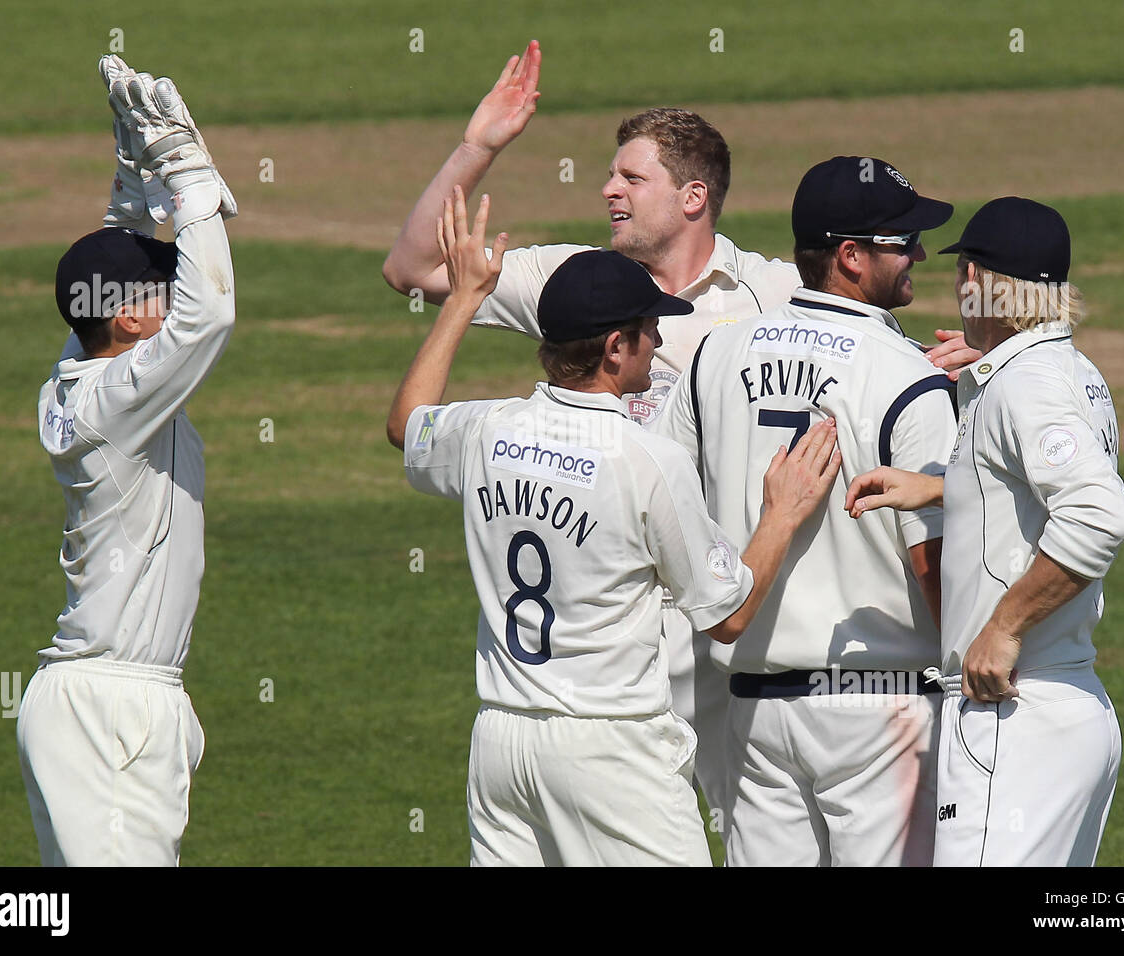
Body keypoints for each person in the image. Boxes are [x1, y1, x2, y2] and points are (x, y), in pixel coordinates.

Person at [381, 41, 978, 819]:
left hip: (732, 608)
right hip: (618, 613)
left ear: (693, 197)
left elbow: (858, 343)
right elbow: (413, 268)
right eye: (611, 176)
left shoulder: (769, 289)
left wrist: (951, 365)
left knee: (746, 821)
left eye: (631, 177)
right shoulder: (578, 285)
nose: (608, 191)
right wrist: (479, 145)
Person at [386, 187, 840, 865]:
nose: (660, 342)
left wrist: (461, 301)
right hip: (611, 748)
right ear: (616, 346)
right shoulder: (645, 458)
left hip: (502, 744)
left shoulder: (488, 430)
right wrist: (782, 514)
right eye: (650, 329)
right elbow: (728, 614)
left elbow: (407, 424)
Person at [653, 156, 961, 866]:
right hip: (883, 714)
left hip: (753, 713)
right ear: (850, 257)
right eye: (901, 241)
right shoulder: (909, 380)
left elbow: (664, 508)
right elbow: (933, 562)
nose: (918, 254)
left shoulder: (713, 356)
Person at [844, 197, 1124, 866]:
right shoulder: (1074, 372)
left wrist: (1002, 628)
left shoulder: (1022, 385)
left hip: (1014, 712)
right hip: (1072, 708)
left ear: (974, 278)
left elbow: (1097, 513)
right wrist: (945, 487)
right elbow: (1037, 491)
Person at [16, 55, 238, 866]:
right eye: (157, 292)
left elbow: (105, 284)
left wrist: (129, 188)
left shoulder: (78, 377)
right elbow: (210, 312)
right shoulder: (122, 399)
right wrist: (186, 175)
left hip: (87, 701)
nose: (170, 299)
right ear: (133, 323)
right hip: (114, 709)